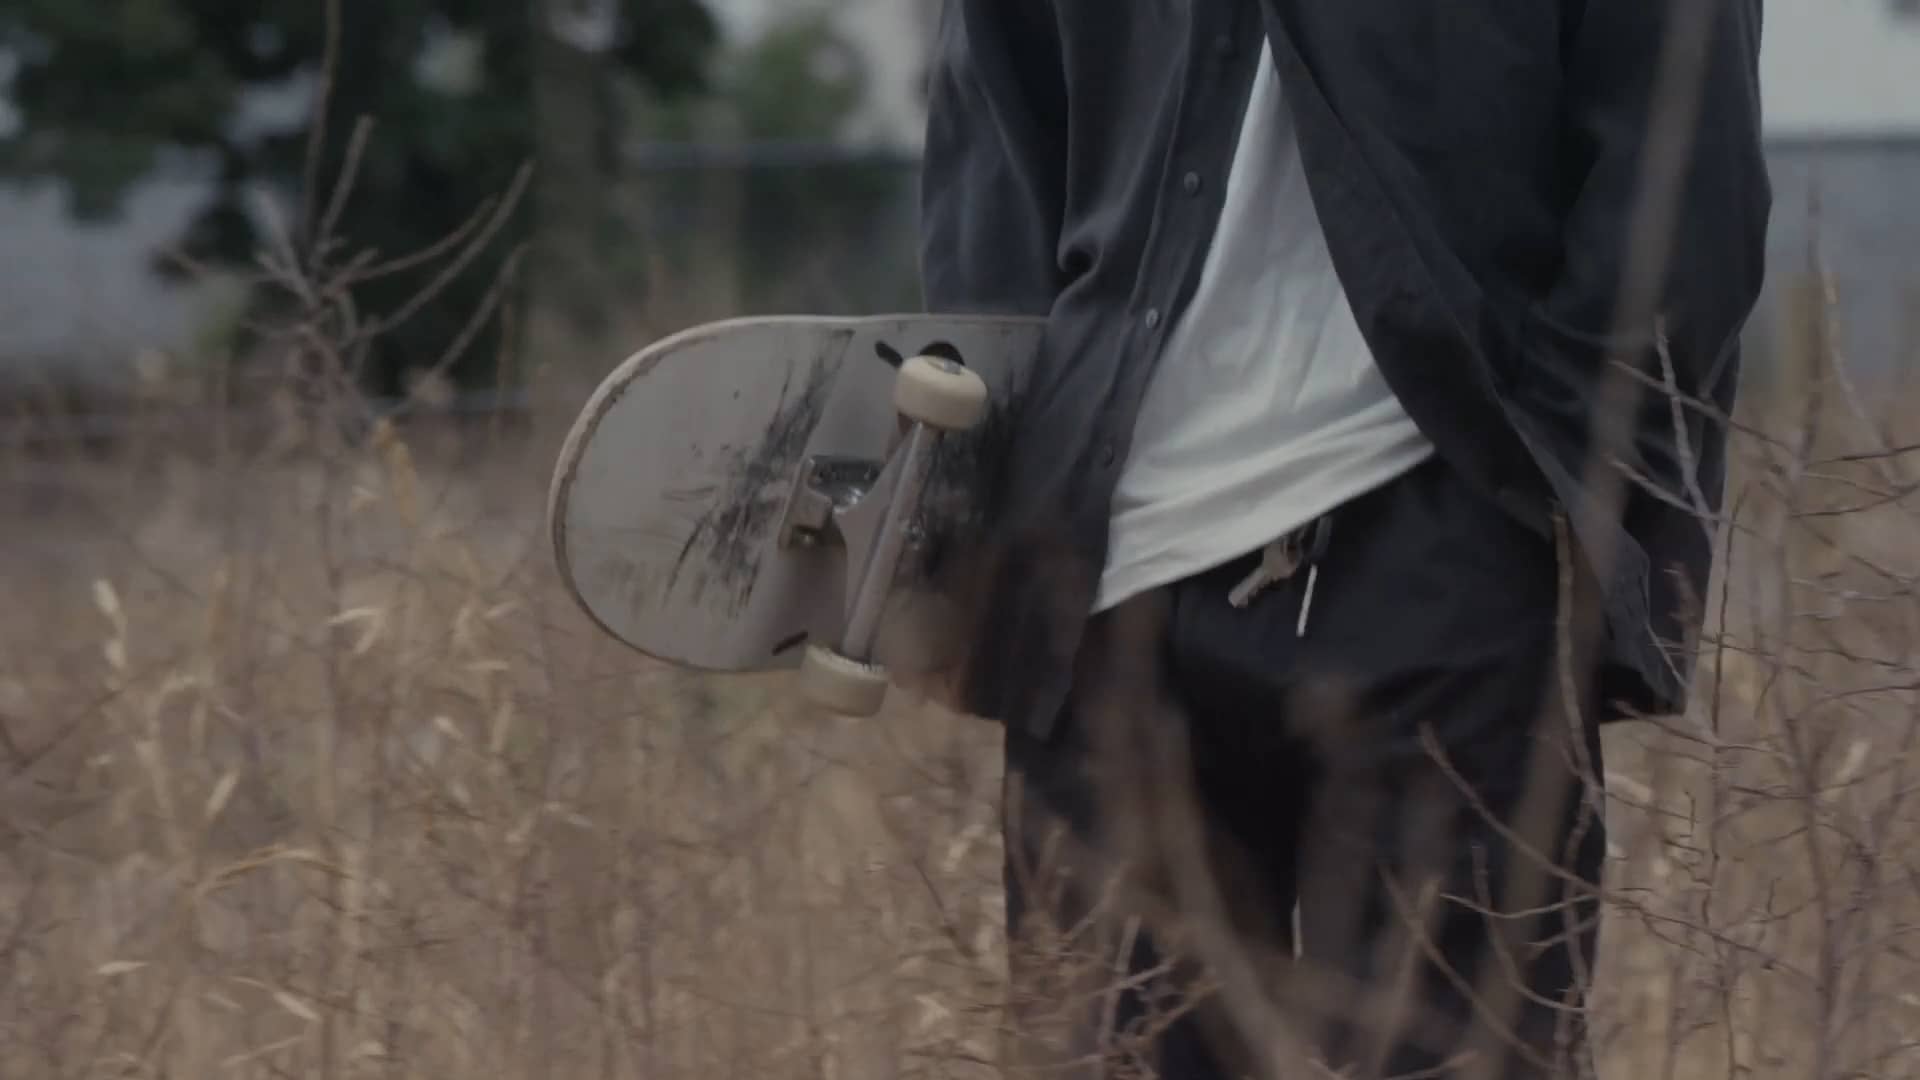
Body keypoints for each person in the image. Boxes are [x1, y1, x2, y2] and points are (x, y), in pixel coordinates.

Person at [916, 2, 1771, 1078]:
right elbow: (988, 150)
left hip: (1446, 567)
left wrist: (1542, 500)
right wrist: (1014, 512)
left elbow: (1685, 189)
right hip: (1107, 597)